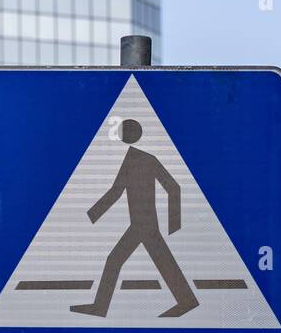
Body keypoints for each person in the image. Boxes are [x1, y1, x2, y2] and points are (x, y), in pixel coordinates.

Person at [71, 119, 199, 318]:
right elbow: (117, 191)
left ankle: (100, 307)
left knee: (116, 260)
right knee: (151, 261)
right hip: (141, 224)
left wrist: (174, 225)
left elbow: (173, 188)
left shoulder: (140, 158)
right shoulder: (134, 158)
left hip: (144, 224)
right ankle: (186, 300)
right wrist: (92, 214)